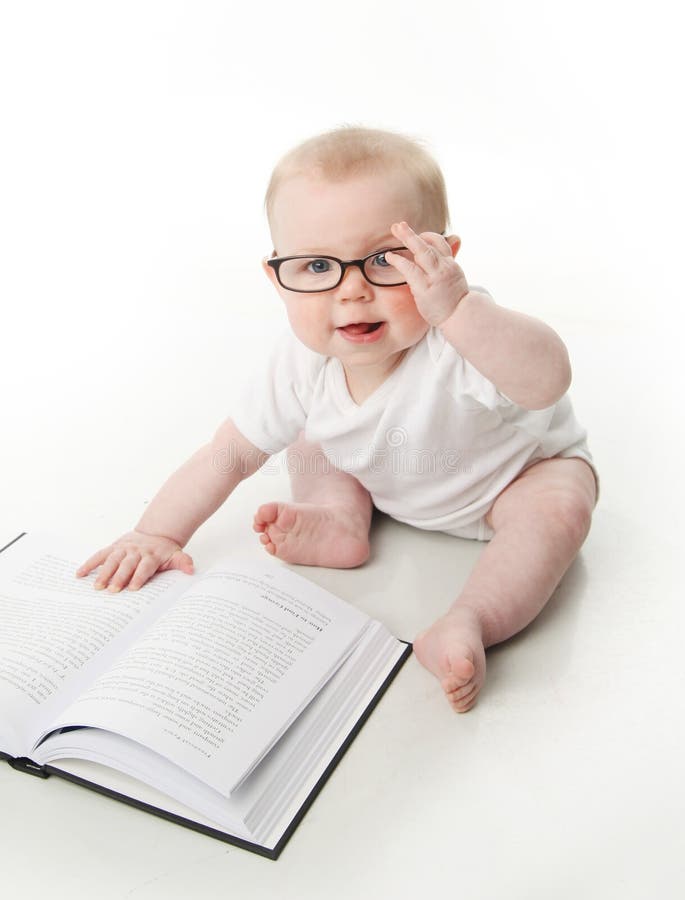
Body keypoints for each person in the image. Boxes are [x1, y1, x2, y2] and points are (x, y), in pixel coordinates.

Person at [76, 125, 599, 713]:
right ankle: (340, 519)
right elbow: (227, 454)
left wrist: (458, 309)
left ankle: (469, 621)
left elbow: (546, 380)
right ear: (278, 279)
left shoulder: (461, 333)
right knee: (309, 437)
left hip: (510, 480)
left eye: (385, 260)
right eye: (318, 266)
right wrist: (157, 533)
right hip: (386, 473)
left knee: (559, 506)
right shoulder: (302, 362)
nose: (351, 291)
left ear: (441, 259)